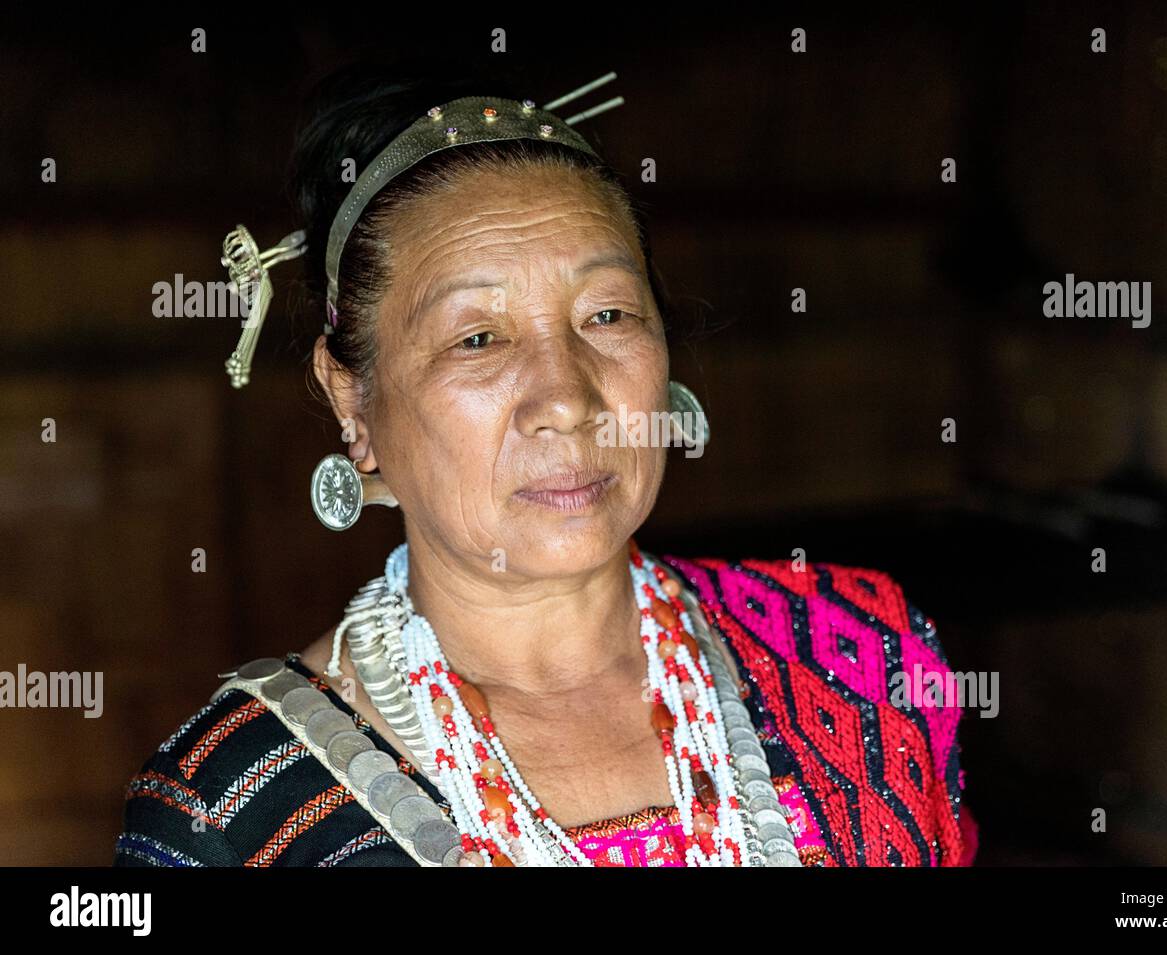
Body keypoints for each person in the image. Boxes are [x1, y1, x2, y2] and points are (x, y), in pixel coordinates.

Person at [113, 64, 978, 868]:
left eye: (606, 316)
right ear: (353, 401)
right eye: (478, 338)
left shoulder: (863, 652)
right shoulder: (233, 813)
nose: (566, 398)